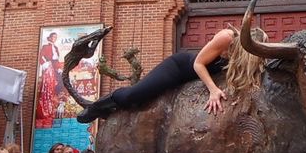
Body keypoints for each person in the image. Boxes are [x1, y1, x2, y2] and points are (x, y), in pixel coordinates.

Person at [78, 23, 263, 122]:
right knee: (135, 96)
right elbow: (198, 63)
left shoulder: (247, 55)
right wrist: (213, 90)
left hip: (193, 80)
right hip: (180, 68)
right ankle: (96, 106)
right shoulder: (227, 37)